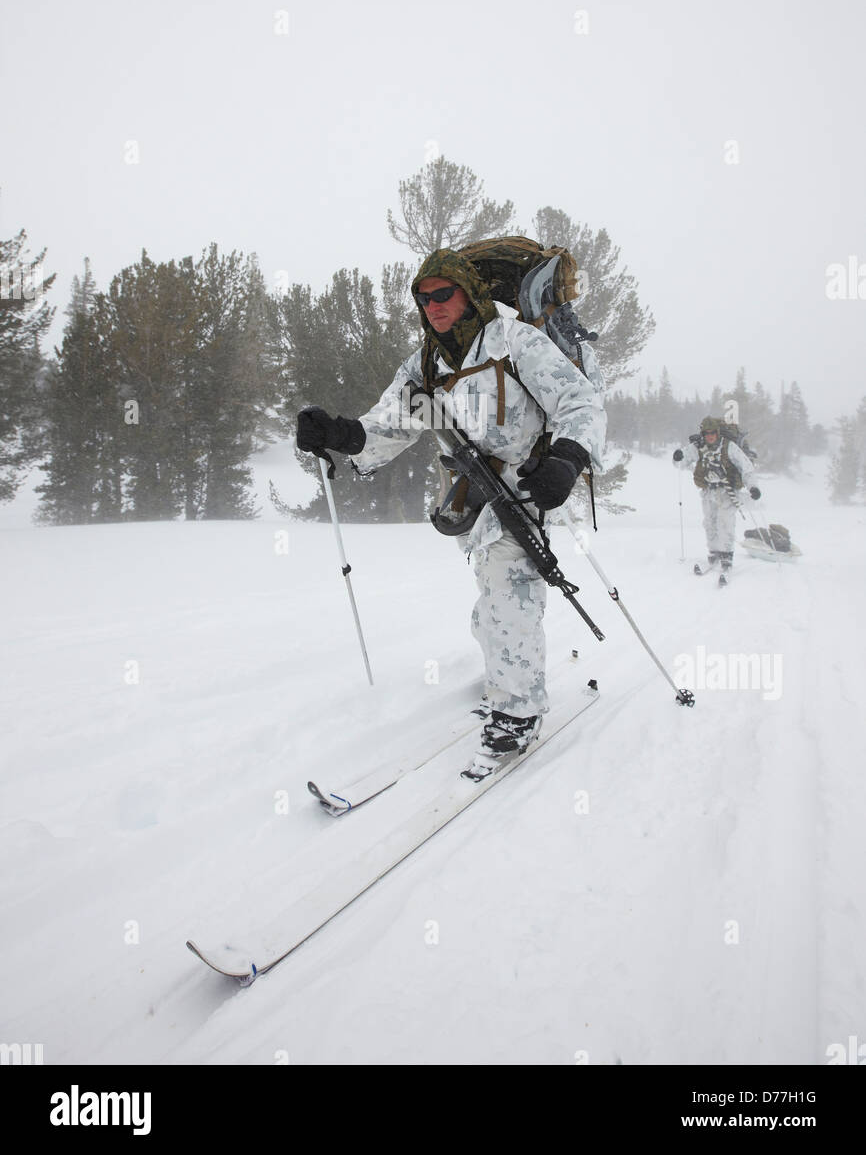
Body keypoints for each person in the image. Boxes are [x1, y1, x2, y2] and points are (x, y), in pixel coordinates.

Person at [296, 248, 606, 777]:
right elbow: (391, 425)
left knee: (511, 589)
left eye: (444, 294)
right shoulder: (425, 365)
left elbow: (580, 402)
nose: (433, 305)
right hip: (473, 491)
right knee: (494, 595)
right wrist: (340, 434)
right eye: (424, 297)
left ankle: (518, 712)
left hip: (528, 484)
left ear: (469, 294)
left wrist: (568, 460)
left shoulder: (513, 341)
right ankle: (509, 672)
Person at [672, 416, 761, 580]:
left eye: (713, 433)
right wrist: (678, 457)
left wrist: (753, 487)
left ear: (718, 433)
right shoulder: (697, 446)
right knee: (710, 523)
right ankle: (714, 553)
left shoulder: (729, 447)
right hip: (708, 491)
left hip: (727, 492)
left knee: (725, 522)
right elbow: (681, 462)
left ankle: (726, 556)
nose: (710, 436)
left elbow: (746, 467)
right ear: (703, 433)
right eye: (707, 433)